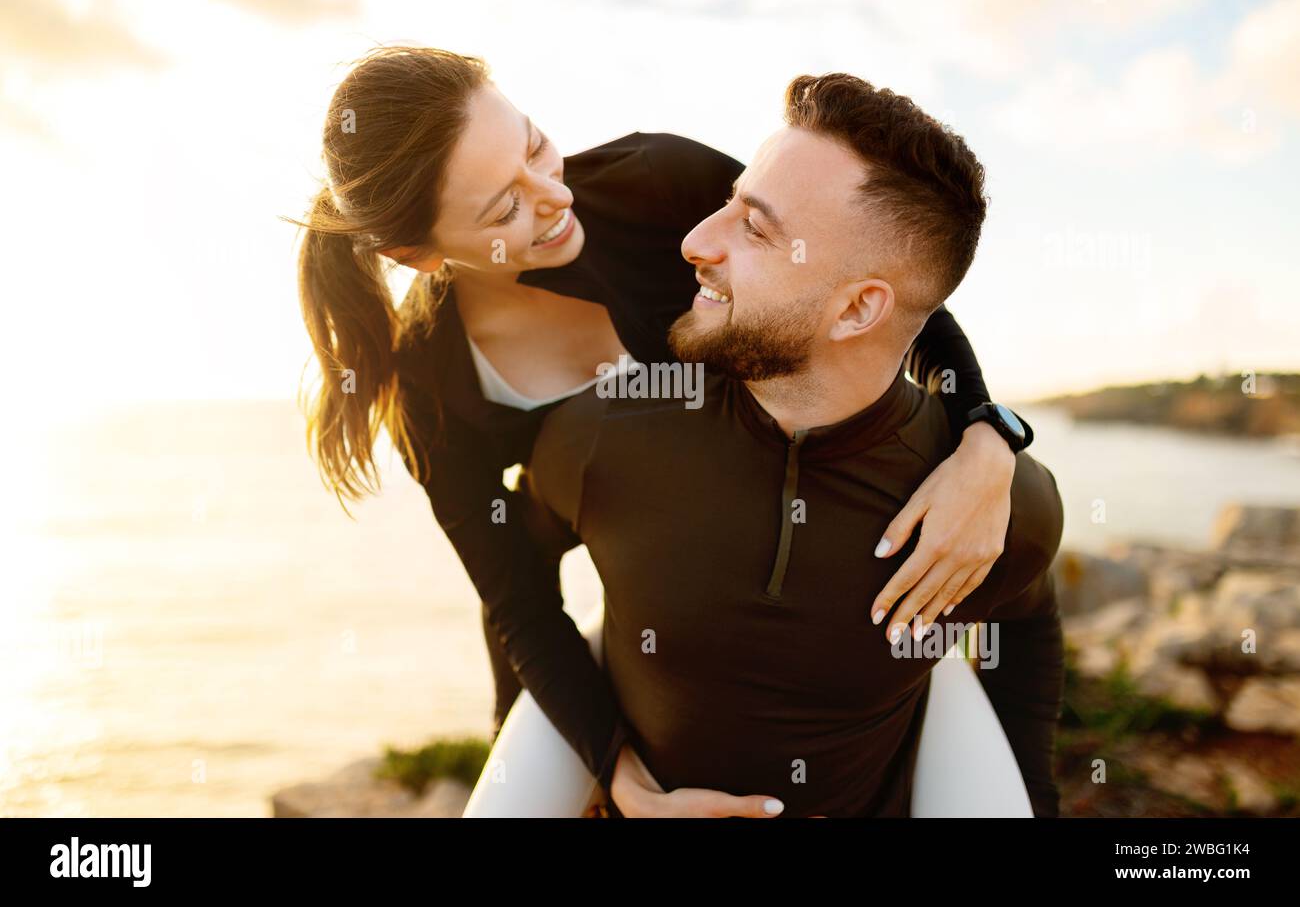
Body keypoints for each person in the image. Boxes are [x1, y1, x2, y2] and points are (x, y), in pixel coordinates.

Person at [293, 47, 1033, 809]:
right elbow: (516, 597)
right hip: (631, 591)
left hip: (796, 554)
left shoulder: (656, 181)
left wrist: (985, 437)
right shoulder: (428, 384)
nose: (553, 195)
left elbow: (878, 279)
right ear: (415, 255)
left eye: (536, 145)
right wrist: (619, 777)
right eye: (503, 208)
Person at [524, 73, 1065, 817]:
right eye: (728, 201)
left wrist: (1035, 798)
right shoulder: (602, 434)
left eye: (754, 228)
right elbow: (517, 592)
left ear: (856, 310)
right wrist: (595, 763)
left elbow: (1027, 628)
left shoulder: (999, 505)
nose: (694, 241)